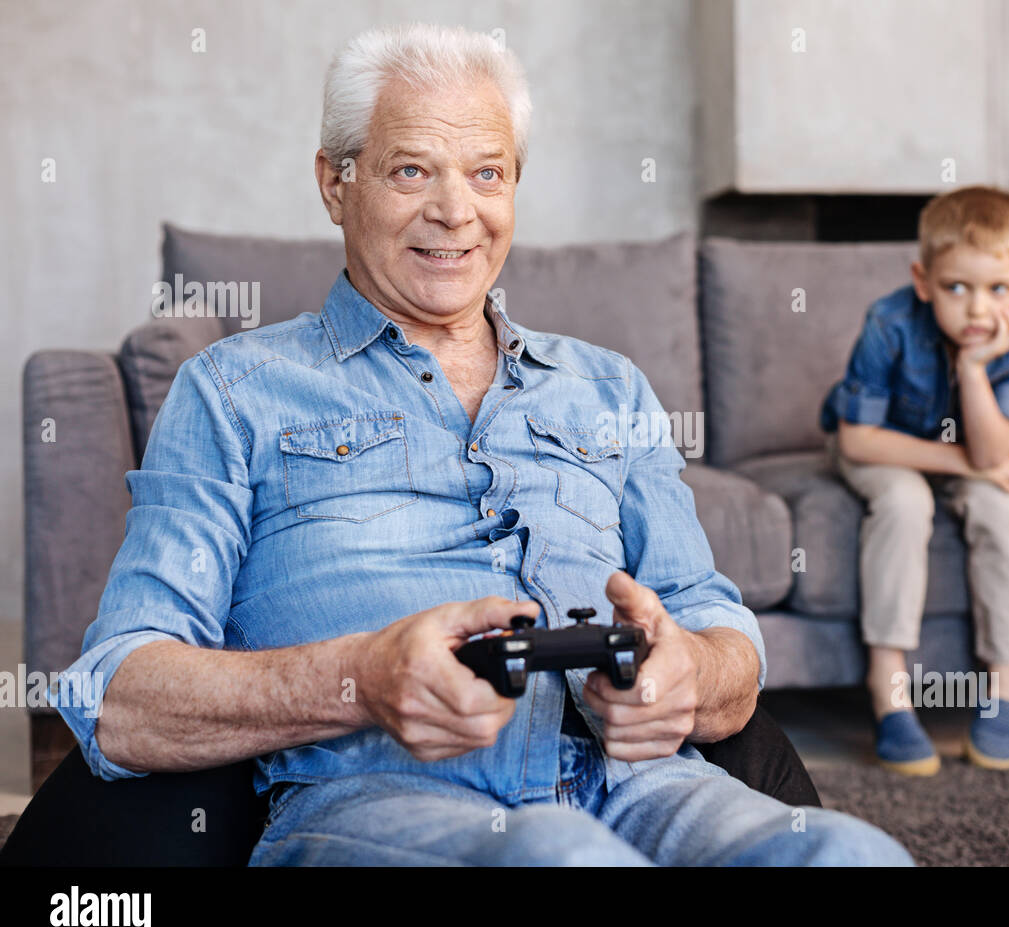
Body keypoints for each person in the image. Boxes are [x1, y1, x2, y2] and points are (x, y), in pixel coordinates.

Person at [52, 23, 912, 867]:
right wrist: (362, 676)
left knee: (851, 852)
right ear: (335, 184)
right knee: (557, 855)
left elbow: (715, 621)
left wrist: (692, 671)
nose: (455, 212)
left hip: (642, 785)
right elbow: (119, 694)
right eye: (411, 170)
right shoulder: (234, 390)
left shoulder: (607, 388)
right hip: (381, 798)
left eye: (486, 173)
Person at [820, 185, 1009, 775]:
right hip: (887, 448)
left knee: (1002, 510)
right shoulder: (890, 320)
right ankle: (889, 692)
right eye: (957, 288)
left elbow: (993, 449)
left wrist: (973, 367)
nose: (978, 310)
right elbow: (857, 440)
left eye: (997, 290)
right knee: (904, 503)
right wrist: (961, 462)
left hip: (979, 450)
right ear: (923, 281)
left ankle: (1006, 692)